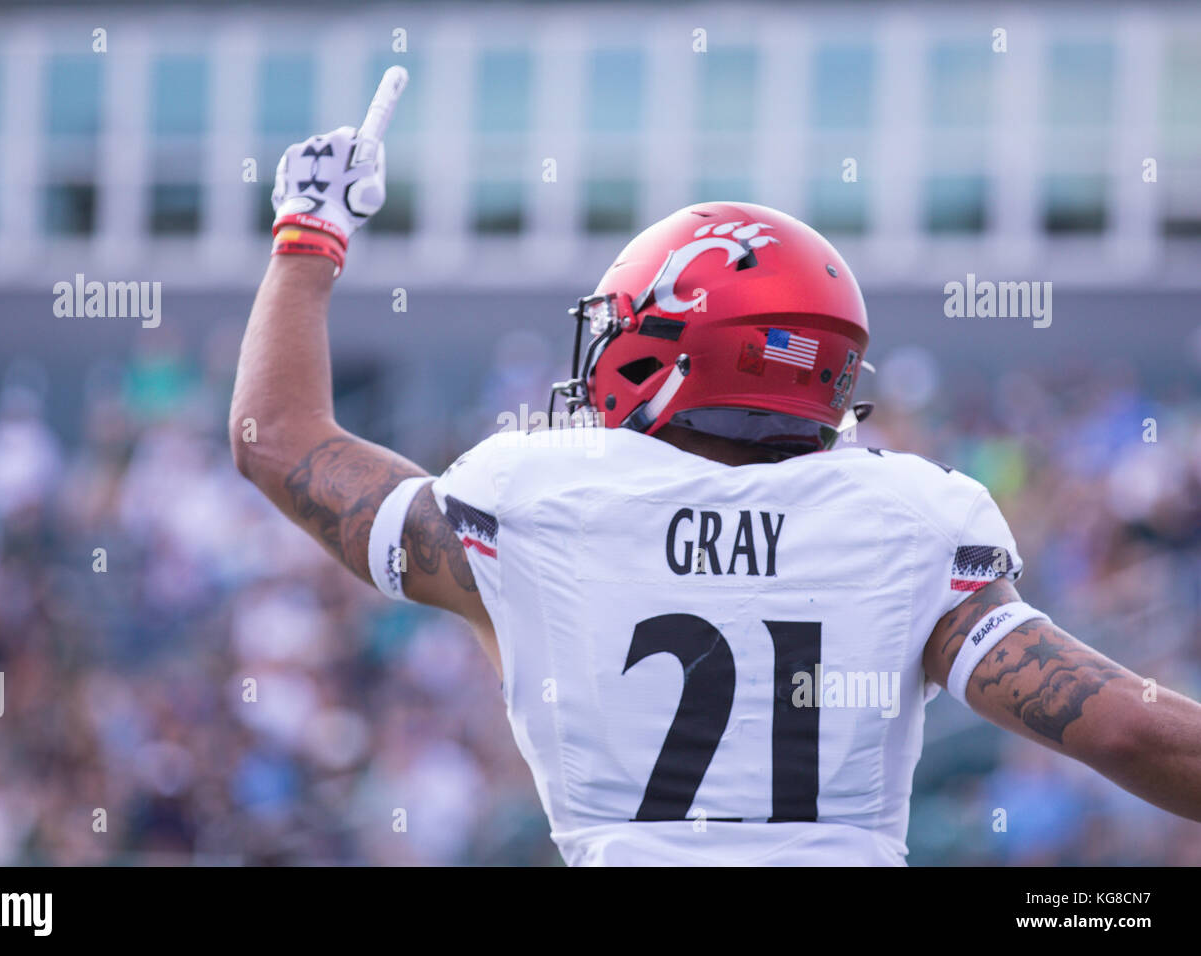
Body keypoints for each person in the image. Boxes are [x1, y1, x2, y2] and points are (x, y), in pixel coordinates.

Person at [229, 71, 1201, 866]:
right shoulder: (909, 513)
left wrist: (310, 232)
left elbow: (274, 436)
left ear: (668, 348)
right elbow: (1127, 730)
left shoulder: (537, 498)